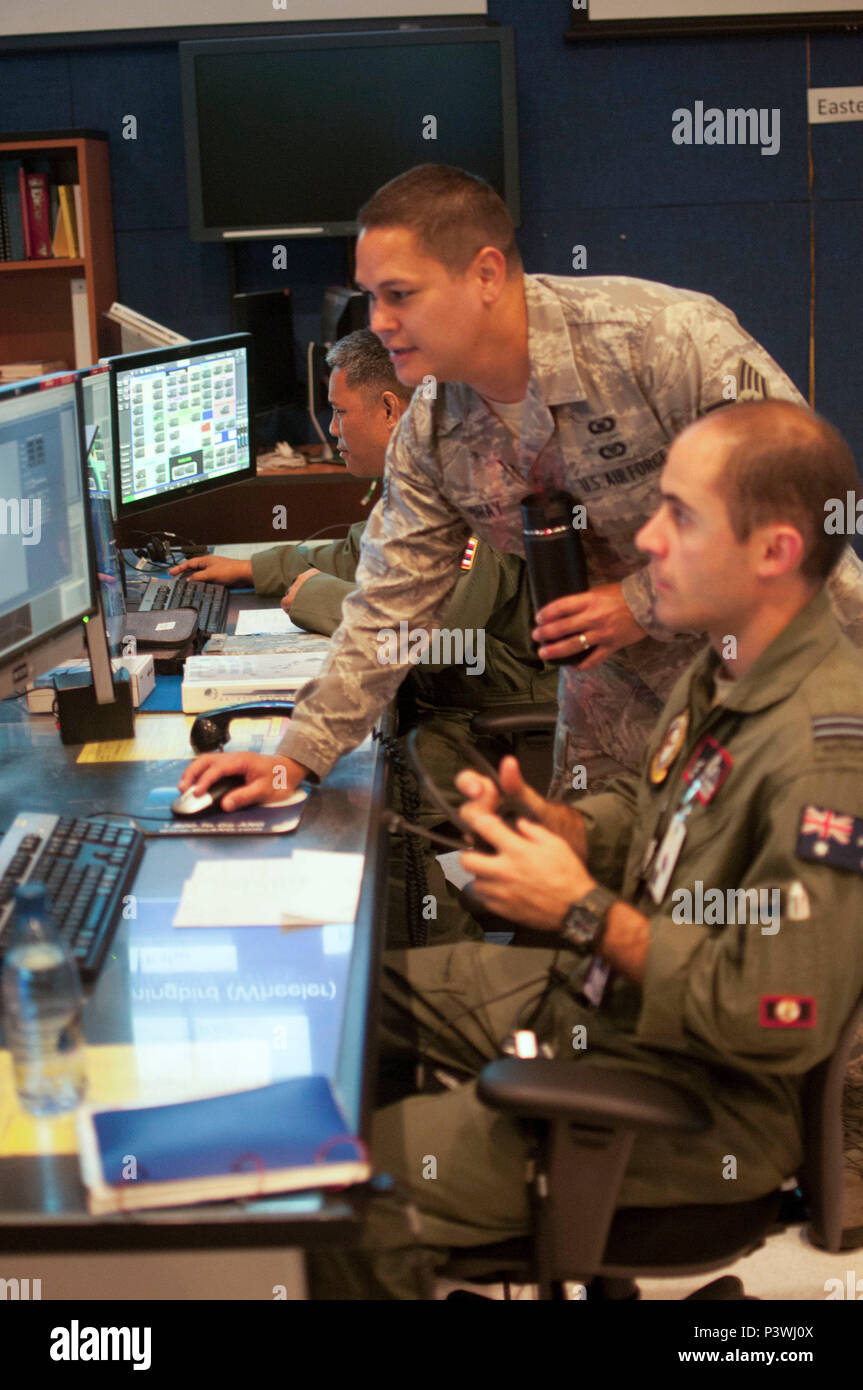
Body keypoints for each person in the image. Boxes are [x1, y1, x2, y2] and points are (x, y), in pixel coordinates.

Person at [303, 398, 863, 1298]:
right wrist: (563, 828)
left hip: (701, 1103)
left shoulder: (824, 751)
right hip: (613, 1007)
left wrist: (581, 911)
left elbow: (778, 1007)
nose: (646, 541)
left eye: (679, 517)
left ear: (774, 551)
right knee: (341, 997)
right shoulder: (724, 670)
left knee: (331, 1188)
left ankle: (398, 1218)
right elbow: (655, 824)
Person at [177, 164, 863, 816]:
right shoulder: (430, 433)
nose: (378, 321)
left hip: (786, 671)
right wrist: (294, 759)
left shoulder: (661, 341)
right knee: (592, 896)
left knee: (783, 916)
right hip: (617, 696)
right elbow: (390, 607)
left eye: (399, 294)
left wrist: (637, 602)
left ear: (483, 274)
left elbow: (799, 504)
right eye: (371, 296)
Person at [172, 328, 557, 944]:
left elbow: (443, 629)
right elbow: (364, 554)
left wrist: (321, 599)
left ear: (388, 409)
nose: (330, 428)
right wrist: (256, 568)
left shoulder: (470, 478)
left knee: (379, 803)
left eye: (339, 411)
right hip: (456, 697)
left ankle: (445, 979)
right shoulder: (420, 472)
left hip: (492, 708)